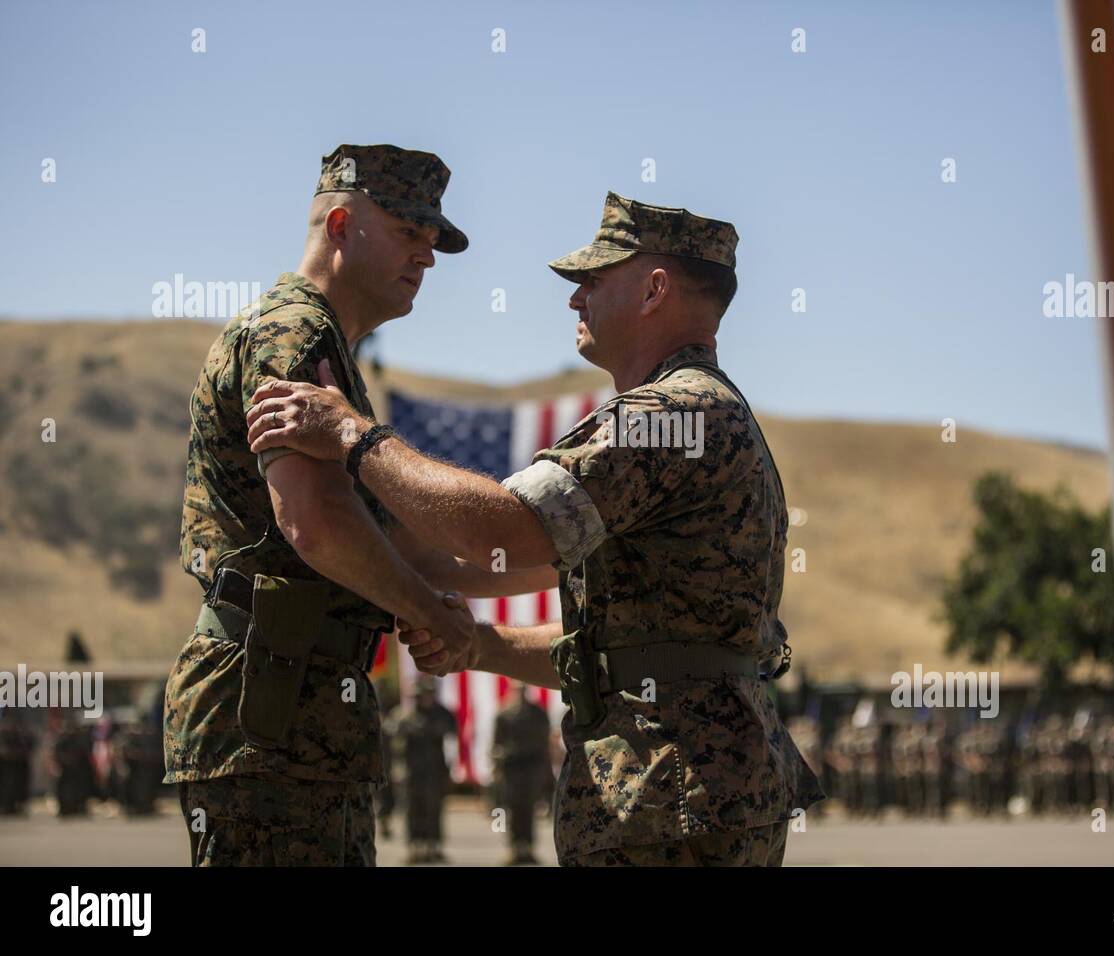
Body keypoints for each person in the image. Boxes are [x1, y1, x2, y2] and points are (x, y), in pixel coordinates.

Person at [246, 191, 825, 866]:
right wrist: (475, 644)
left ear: (654, 289)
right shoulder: (708, 413)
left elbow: (507, 531)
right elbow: (627, 647)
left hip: (672, 801)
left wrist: (351, 433)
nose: (575, 300)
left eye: (593, 282)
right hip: (697, 793)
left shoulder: (670, 413)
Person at [161, 144, 480, 866]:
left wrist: (553, 565)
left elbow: (393, 543)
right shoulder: (293, 333)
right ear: (339, 224)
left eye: (433, 242)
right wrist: (429, 613)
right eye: (408, 232)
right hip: (270, 716)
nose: (426, 257)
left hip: (298, 712)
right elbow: (317, 525)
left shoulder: (327, 348)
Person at [395, 679, 457, 863]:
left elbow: (452, 732)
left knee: (433, 810)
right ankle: (415, 848)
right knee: (413, 810)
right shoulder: (405, 716)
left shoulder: (441, 715)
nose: (426, 699)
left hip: (434, 772)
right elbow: (396, 743)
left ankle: (434, 847)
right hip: (412, 772)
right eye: (423, 695)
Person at [491, 684, 552, 865]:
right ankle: (515, 848)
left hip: (532, 768)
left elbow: (544, 743)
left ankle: (528, 848)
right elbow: (496, 743)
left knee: (528, 810)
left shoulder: (538, 715)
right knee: (513, 810)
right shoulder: (504, 714)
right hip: (511, 769)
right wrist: (497, 764)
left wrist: (545, 770)